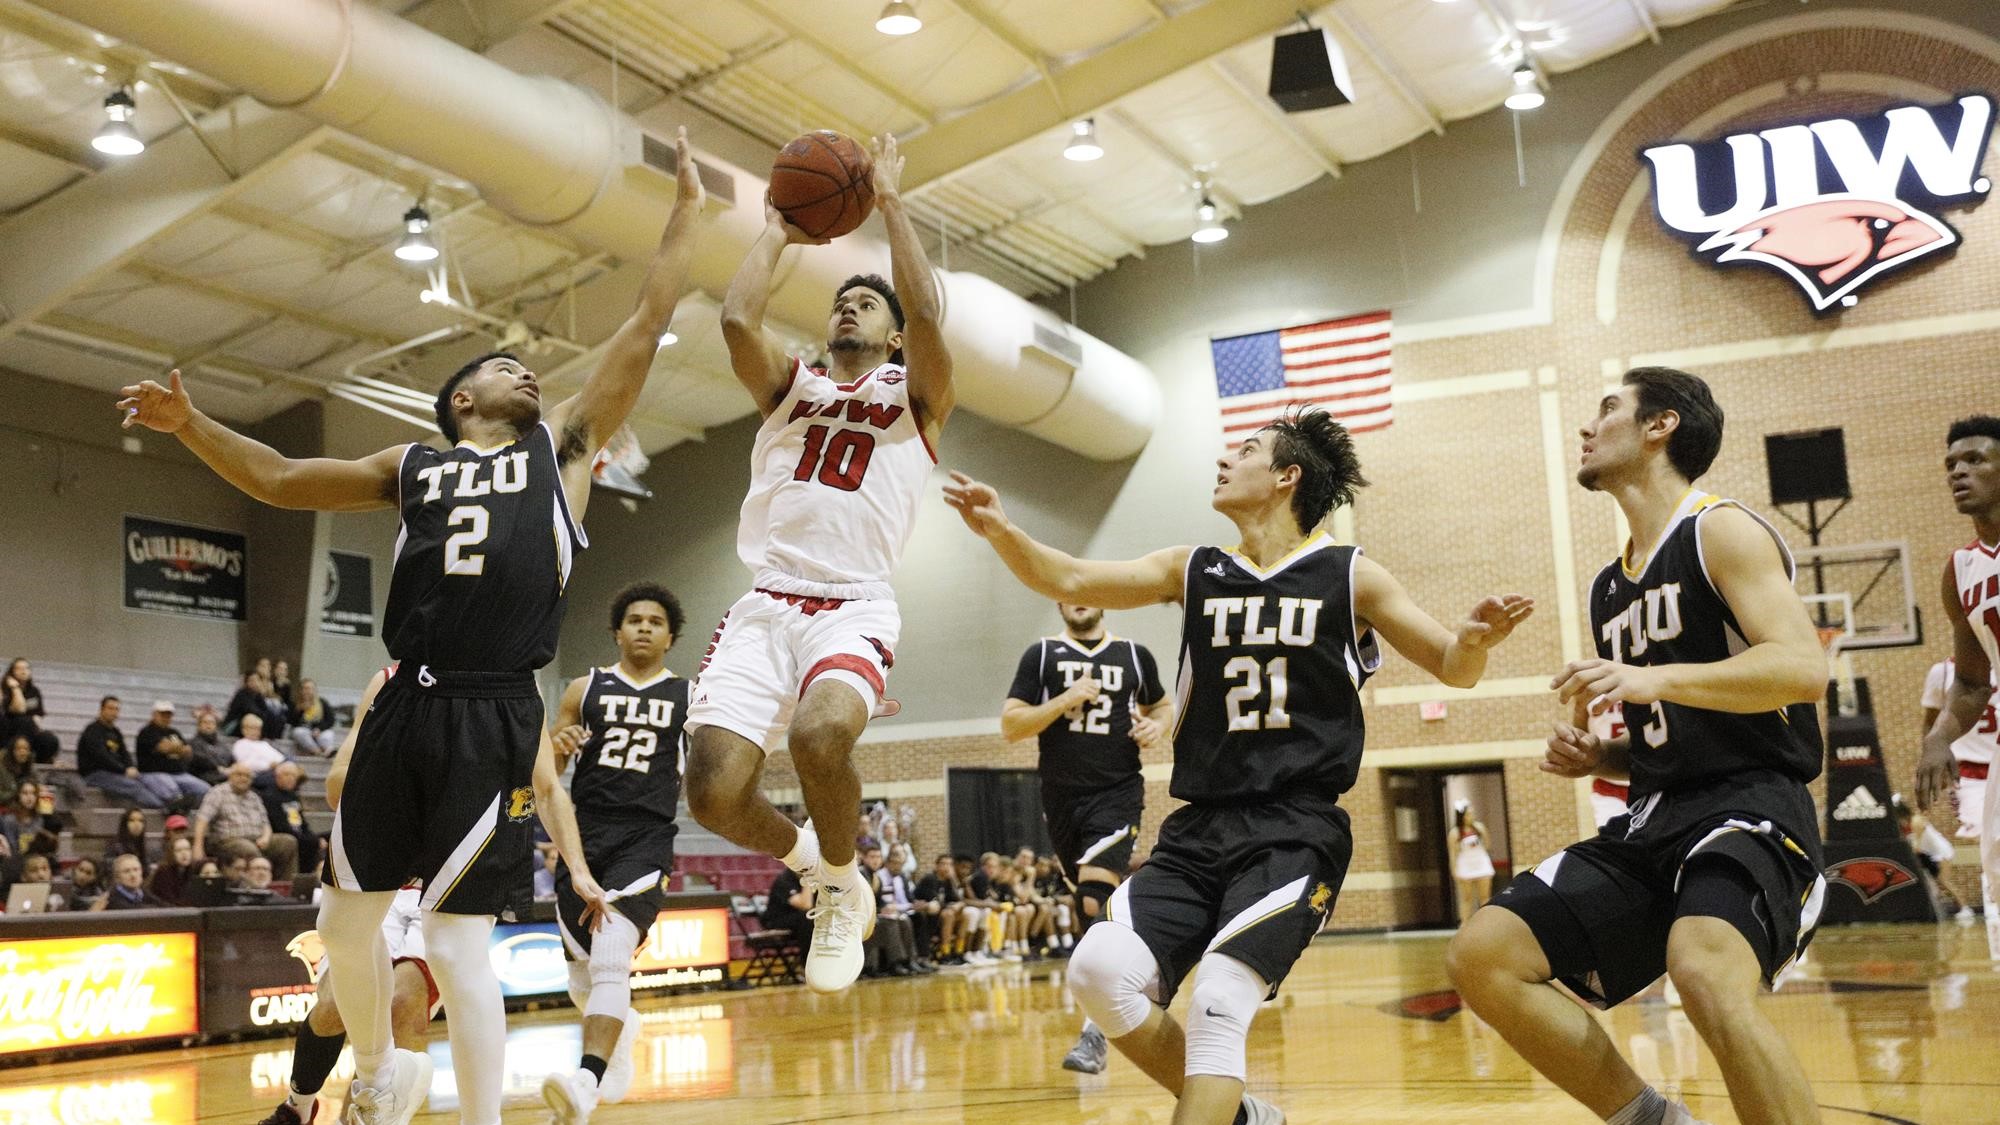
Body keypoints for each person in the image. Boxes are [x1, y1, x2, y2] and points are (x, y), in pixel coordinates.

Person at [123, 133, 703, 1125]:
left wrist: (685, 216)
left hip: (489, 713)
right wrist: (193, 428)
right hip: (404, 700)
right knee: (347, 925)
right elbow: (276, 479)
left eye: (533, 369)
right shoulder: (412, 463)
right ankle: (382, 1070)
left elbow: (648, 324)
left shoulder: (559, 455)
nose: (529, 373)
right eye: (506, 369)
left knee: (455, 947)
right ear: (460, 401)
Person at [946, 405, 1531, 1125]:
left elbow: (1452, 665)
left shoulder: (1350, 575)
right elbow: (1069, 573)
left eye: (1245, 449)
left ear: (1286, 477)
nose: (1224, 461)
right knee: (1099, 970)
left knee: (1221, 997)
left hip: (1295, 831)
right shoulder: (1194, 569)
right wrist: (1002, 529)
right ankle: (1245, 1114)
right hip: (1199, 830)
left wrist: (1474, 638)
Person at [1447, 367, 1830, 1125]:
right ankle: (1651, 1119)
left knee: (1705, 970)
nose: (1588, 429)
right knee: (1483, 954)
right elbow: (1677, 730)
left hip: (1751, 804)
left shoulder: (1718, 528)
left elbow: (1802, 668)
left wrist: (1650, 678)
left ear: (1661, 426)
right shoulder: (1608, 588)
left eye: (1609, 409)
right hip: (1654, 816)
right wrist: (1604, 758)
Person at [685, 132, 955, 995]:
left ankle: (840, 886)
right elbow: (735, 320)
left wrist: (894, 207)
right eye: (841, 300)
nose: (850, 308)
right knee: (713, 796)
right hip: (765, 604)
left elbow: (931, 316)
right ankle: (818, 863)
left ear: (892, 330)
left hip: (852, 604)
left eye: (867, 304)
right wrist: (778, 229)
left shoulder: (915, 397)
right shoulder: (791, 388)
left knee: (818, 732)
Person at [540, 582, 694, 1124]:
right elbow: (547, 779)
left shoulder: (691, 697)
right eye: (635, 619)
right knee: (583, 978)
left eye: (656, 621)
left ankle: (585, 1082)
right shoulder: (585, 688)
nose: (645, 627)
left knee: (610, 957)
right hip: (583, 835)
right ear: (617, 631)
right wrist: (558, 748)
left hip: (646, 838)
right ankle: (619, 1031)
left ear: (671, 636)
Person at [1002, 600, 1172, 1073]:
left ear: (1101, 597)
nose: (1079, 599)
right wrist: (1062, 700)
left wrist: (1155, 725)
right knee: (1089, 907)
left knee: (1093, 900)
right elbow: (1011, 725)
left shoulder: (1134, 655)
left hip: (1117, 792)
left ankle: (1095, 1030)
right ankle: (1130, 972)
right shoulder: (1042, 655)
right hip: (1060, 799)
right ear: (1058, 601)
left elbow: (1163, 703)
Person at [259, 887, 442, 1125]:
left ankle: (354, 1120)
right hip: (377, 886)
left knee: (401, 1005)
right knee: (334, 1004)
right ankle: (297, 1108)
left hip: (441, 893)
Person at [1918, 415, 2000, 932]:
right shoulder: (1961, 569)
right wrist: (1938, 737)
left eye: (1975, 459)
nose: (1958, 472)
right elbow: (1971, 683)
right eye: (1951, 463)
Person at [197, 763, 300, 878]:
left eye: (247, 776)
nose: (243, 778)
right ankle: (256, 886)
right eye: (239, 775)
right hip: (227, 842)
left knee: (288, 842)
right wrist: (198, 847)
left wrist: (265, 837)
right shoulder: (217, 793)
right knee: (248, 848)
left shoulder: (254, 797)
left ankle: (285, 886)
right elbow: (202, 819)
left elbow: (265, 823)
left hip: (257, 839)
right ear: (230, 776)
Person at [78, 695, 166, 809]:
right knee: (133, 786)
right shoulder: (92, 731)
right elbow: (101, 757)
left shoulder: (115, 732)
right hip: (94, 774)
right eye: (110, 708)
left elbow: (124, 753)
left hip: (115, 773)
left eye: (116, 709)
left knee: (148, 780)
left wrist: (130, 766)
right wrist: (124, 769)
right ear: (101, 710)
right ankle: (163, 808)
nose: (114, 712)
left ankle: (170, 804)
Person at [136, 700, 210, 807]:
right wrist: (178, 748)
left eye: (169, 715)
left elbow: (188, 751)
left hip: (178, 773)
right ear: (154, 714)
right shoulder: (147, 732)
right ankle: (177, 811)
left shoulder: (174, 732)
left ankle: (188, 809)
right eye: (162, 714)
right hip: (153, 773)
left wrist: (173, 747)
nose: (166, 717)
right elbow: (164, 748)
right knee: (172, 791)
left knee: (205, 790)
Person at [259, 761, 322, 884]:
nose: (291, 779)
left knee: (329, 836)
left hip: (299, 834)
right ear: (278, 776)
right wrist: (309, 838)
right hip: (284, 834)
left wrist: (312, 836)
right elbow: (279, 825)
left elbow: (303, 823)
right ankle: (305, 880)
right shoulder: (270, 796)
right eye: (287, 775)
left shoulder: (293, 796)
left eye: (294, 776)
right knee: (311, 842)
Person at [3, 659, 60, 764]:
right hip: (9, 733)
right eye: (19, 668)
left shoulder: (34, 691)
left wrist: (36, 723)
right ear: (12, 672)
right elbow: (19, 708)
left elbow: (38, 716)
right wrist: (15, 688)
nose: (23, 671)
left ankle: (37, 761)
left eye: (26, 668)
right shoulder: (5, 690)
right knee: (24, 721)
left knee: (49, 739)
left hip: (29, 732)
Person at [911, 853, 965, 965]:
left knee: (965, 916)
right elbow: (936, 904)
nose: (947, 867)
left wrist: (954, 880)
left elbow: (958, 900)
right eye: (944, 864)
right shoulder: (930, 879)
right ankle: (944, 954)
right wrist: (953, 906)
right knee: (948, 914)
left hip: (938, 916)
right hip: (925, 917)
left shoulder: (948, 881)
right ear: (936, 866)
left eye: (949, 864)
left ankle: (959, 952)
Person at [1450, 802, 1496, 923]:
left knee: (1485, 897)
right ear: (1462, 816)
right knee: (1466, 898)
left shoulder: (1479, 828)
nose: (1471, 816)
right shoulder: (1455, 833)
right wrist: (1454, 870)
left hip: (1481, 863)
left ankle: (1486, 922)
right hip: (1465, 865)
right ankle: (1464, 924)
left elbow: (1488, 844)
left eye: (1472, 813)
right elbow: (1453, 853)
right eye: (1469, 814)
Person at [289, 679, 341, 757]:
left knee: (328, 734)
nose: (306, 691)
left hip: (319, 731)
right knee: (297, 732)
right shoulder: (295, 703)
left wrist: (319, 729)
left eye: (309, 688)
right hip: (305, 731)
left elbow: (331, 720)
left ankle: (328, 750)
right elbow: (292, 722)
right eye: (304, 688)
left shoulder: (322, 702)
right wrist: (300, 711)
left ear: (314, 690)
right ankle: (317, 752)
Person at [97, 852, 165, 911]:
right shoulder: (111, 898)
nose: (133, 875)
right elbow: (136, 912)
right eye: (126, 871)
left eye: (136, 870)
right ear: (117, 877)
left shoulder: (142, 893)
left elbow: (166, 907)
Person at [150, 834, 198, 906]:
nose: (184, 853)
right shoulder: (163, 873)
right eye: (178, 850)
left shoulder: (192, 871)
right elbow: (169, 901)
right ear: (171, 853)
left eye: (187, 849)